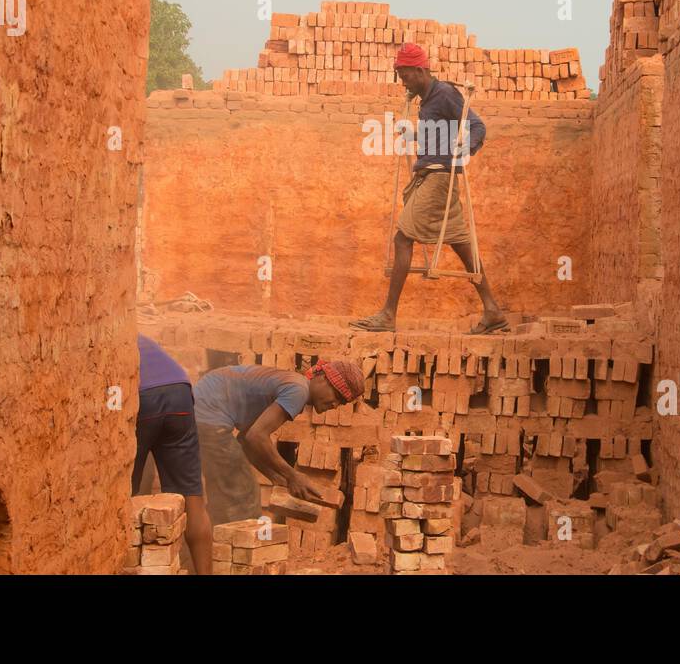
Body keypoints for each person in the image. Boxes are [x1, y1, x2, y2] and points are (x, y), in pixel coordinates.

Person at [352, 41, 507, 335]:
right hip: (431, 175)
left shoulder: (446, 93)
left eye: (406, 74)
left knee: (402, 237)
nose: (403, 81)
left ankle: (388, 315)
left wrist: (467, 146)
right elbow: (436, 137)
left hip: (438, 179)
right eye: (399, 75)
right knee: (461, 243)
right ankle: (493, 310)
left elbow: (477, 125)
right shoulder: (426, 100)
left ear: (421, 70)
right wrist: (414, 134)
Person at [192, 360, 366, 525]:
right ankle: (233, 550)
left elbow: (246, 440)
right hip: (208, 412)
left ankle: (215, 546)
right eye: (336, 395)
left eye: (342, 402)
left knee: (232, 493)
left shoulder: (294, 386)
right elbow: (257, 437)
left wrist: (277, 478)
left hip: (203, 406)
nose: (335, 404)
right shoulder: (299, 390)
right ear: (321, 378)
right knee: (242, 495)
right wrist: (293, 476)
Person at [133, 333, 213, 574]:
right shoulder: (138, 335)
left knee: (121, 495)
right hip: (179, 392)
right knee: (193, 500)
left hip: (142, 396)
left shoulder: (102, 334)